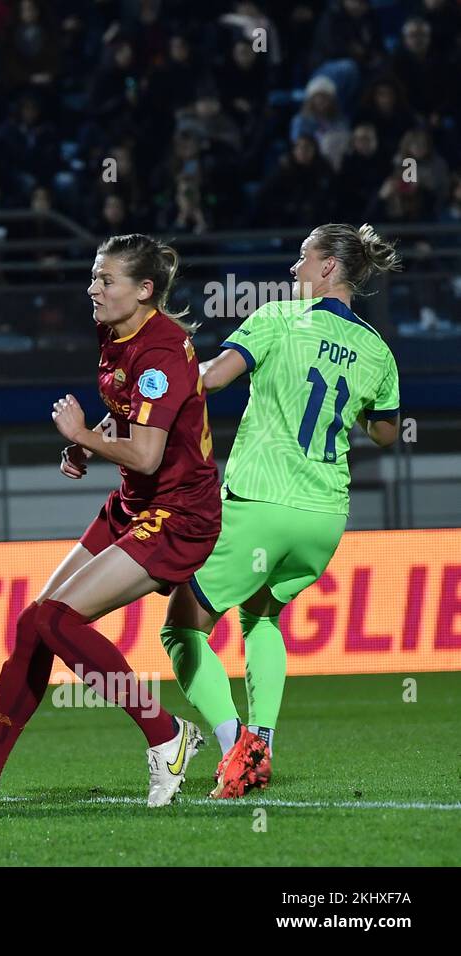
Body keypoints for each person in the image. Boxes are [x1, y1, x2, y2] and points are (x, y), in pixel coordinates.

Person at [0, 234, 219, 809]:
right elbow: (130, 412)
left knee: (59, 621)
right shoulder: (118, 332)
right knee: (34, 625)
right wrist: (91, 443)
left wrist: (81, 437)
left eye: (106, 280)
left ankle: (165, 734)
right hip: (132, 504)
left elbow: (148, 453)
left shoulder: (164, 353)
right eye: (93, 277)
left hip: (178, 513)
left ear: (144, 291)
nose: (91, 289)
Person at [160, 223, 403, 798]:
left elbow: (214, 379)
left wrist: (156, 391)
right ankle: (261, 741)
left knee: (181, 626)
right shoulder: (378, 350)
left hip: (262, 503)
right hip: (324, 517)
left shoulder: (277, 319)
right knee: (262, 617)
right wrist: (354, 411)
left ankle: (233, 747)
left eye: (302, 258)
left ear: (326, 270)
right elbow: (388, 432)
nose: (293, 270)